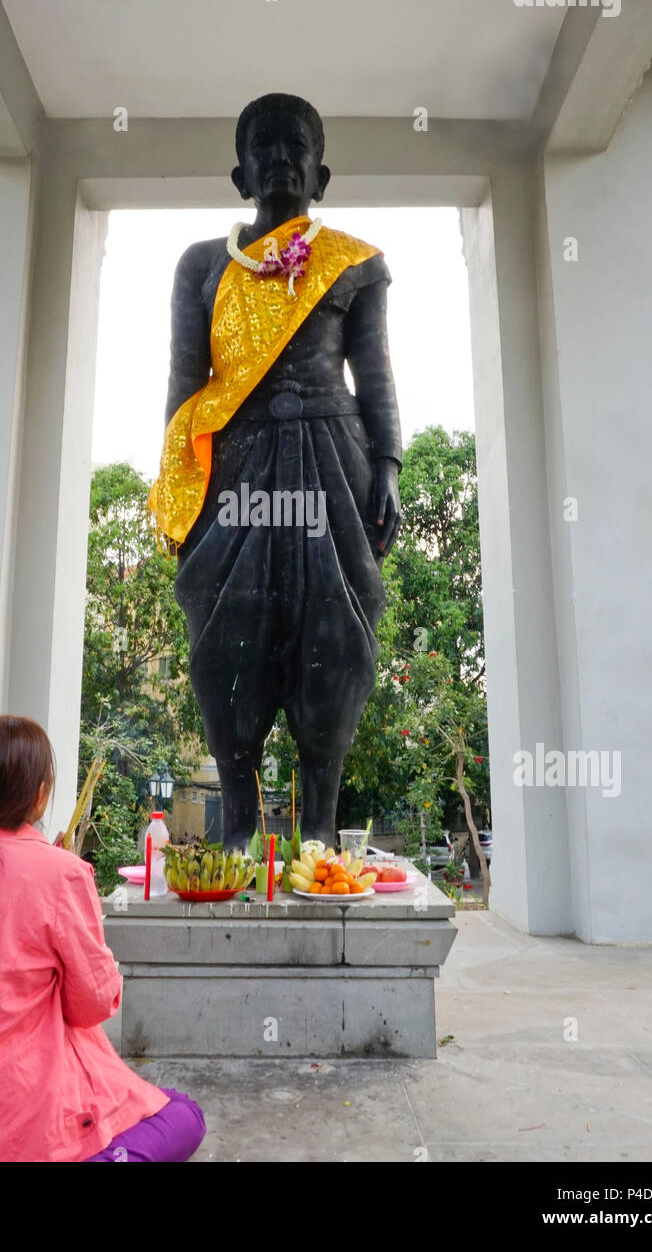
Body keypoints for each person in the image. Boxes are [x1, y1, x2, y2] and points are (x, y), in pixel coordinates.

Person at [148, 92, 402, 848]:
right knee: (230, 627)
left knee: (335, 625)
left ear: (319, 175)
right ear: (239, 174)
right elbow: (183, 385)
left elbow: (375, 374)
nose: (280, 156)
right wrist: (177, 490)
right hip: (237, 466)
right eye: (264, 145)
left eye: (297, 145)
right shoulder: (201, 265)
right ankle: (238, 831)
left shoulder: (353, 264)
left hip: (334, 460)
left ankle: (318, 832)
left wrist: (386, 467)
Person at [0, 714, 206, 1162]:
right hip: (24, 1135)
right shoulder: (60, 873)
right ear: (41, 796)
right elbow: (92, 1004)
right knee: (183, 1113)